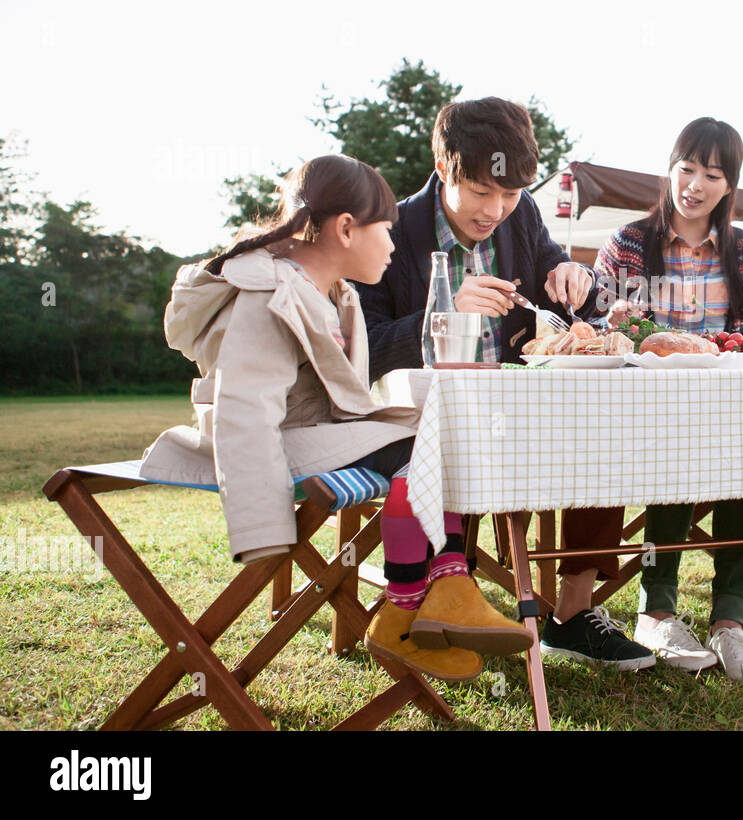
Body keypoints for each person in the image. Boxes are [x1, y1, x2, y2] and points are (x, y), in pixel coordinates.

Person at [138, 154, 533, 687]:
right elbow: (244, 414)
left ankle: (431, 597)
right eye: (387, 231)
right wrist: (262, 525)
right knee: (422, 447)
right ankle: (413, 605)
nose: (394, 246)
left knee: (438, 437)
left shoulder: (332, 294)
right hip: (275, 446)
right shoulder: (270, 297)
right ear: (346, 229)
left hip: (315, 434)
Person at [355, 97, 655, 671]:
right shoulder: (392, 228)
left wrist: (577, 276)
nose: (496, 210)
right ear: (444, 169)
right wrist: (438, 320)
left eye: (511, 194)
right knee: (442, 448)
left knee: (607, 426)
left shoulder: (523, 216)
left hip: (519, 413)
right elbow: (358, 348)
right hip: (422, 422)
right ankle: (444, 594)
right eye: (481, 192)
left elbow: (563, 291)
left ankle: (572, 613)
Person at [594, 116, 743, 683]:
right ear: (670, 170)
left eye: (711, 174)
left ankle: (730, 622)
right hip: (644, 409)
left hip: (726, 411)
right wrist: (611, 320)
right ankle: (658, 612)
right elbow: (591, 329)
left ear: (729, 186)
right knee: (679, 454)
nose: (694, 183)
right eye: (686, 168)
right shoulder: (628, 242)